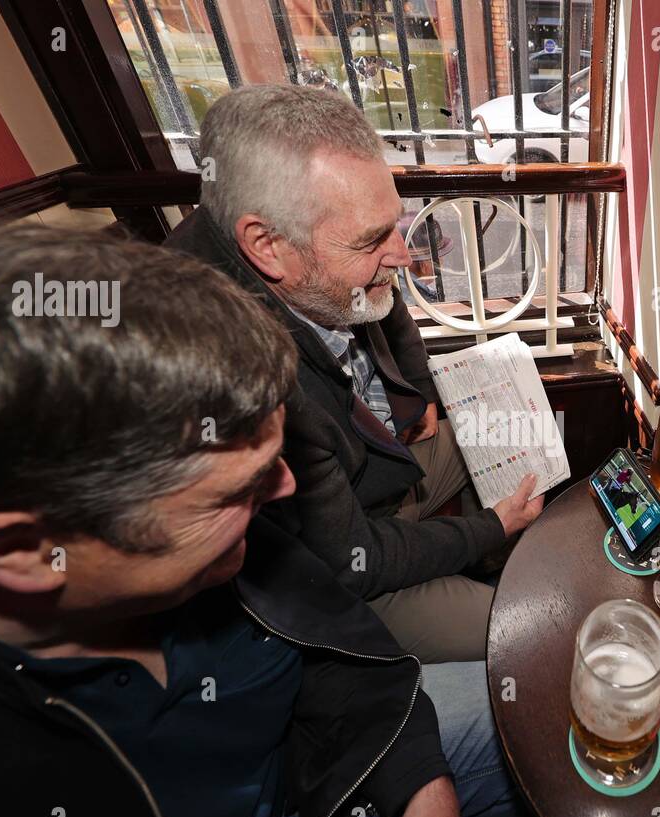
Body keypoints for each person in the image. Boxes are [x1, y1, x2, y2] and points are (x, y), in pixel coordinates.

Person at [0, 226, 530, 817]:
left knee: (535, 701)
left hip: (317, 782)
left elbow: (335, 647)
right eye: (236, 490)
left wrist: (416, 780)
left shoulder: (229, 543)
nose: (286, 487)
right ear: (22, 551)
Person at [166, 85, 543, 664]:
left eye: (394, 224)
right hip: (352, 570)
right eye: (373, 239)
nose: (404, 253)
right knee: (528, 630)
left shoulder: (321, 259)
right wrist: (491, 527)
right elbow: (350, 557)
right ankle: (489, 578)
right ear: (267, 245)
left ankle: (489, 565)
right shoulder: (235, 375)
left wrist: (418, 399)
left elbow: (389, 306)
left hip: (378, 475)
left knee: (514, 435)